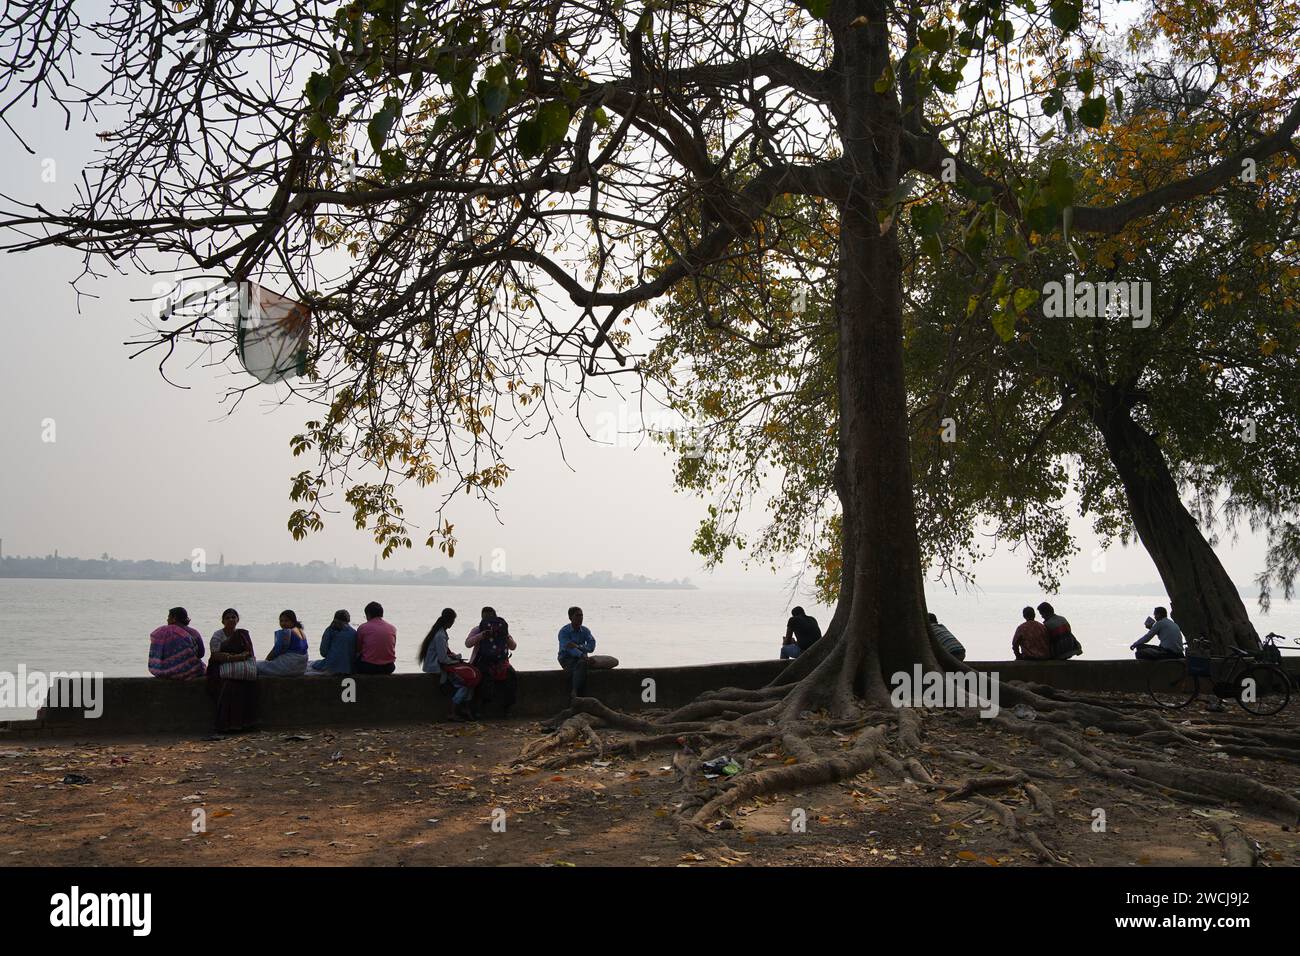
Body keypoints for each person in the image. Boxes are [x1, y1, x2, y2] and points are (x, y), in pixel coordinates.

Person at [417, 608, 479, 720]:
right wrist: (456, 661)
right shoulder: (440, 636)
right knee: (465, 683)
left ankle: (463, 708)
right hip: (437, 668)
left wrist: (455, 658)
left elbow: (443, 654)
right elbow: (443, 659)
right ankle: (454, 710)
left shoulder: (439, 633)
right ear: (450, 621)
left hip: (438, 665)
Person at [207, 608, 258, 732]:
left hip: (239, 668)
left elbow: (249, 652)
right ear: (223, 621)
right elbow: (215, 655)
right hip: (221, 667)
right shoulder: (218, 635)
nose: (231, 620)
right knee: (229, 687)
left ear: (237, 619)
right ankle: (225, 725)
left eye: (233, 617)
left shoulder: (242, 634)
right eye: (228, 618)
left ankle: (245, 724)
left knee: (247, 686)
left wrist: (240, 658)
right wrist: (235, 658)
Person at [468, 615, 518, 715]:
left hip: (501, 663)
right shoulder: (478, 630)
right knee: (482, 679)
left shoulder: (502, 630)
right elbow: (468, 643)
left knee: (512, 676)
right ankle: (480, 707)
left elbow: (513, 646)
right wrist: (482, 635)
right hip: (481, 661)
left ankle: (508, 706)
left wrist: (506, 636)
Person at [148, 607, 207, 680]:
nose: (167, 620)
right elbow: (201, 653)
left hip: (163, 671)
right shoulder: (193, 632)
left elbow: (155, 653)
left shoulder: (162, 632)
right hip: (190, 670)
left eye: (168, 617)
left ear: (174, 618)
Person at [557, 606, 596, 699]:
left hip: (582, 659)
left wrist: (579, 647)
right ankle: (575, 691)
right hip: (566, 658)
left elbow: (591, 646)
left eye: (581, 615)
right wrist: (582, 654)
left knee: (581, 665)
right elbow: (568, 648)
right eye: (577, 615)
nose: (580, 618)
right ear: (570, 618)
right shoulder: (564, 631)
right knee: (580, 666)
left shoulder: (585, 631)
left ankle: (575, 692)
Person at [257, 610, 309, 676]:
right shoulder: (300, 630)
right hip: (301, 668)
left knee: (257, 666)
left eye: (286, 621)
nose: (283, 623)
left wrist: (266, 661)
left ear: (293, 621)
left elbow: (276, 651)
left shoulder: (286, 632)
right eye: (281, 621)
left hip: (290, 666)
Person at [310, 609, 358, 675]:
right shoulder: (354, 632)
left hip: (331, 667)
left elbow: (323, 652)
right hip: (349, 668)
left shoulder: (330, 630)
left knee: (313, 664)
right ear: (348, 620)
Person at [355, 601, 397, 675]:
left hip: (369, 667)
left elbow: (358, 649)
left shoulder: (363, 627)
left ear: (368, 615)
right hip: (388, 667)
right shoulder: (392, 628)